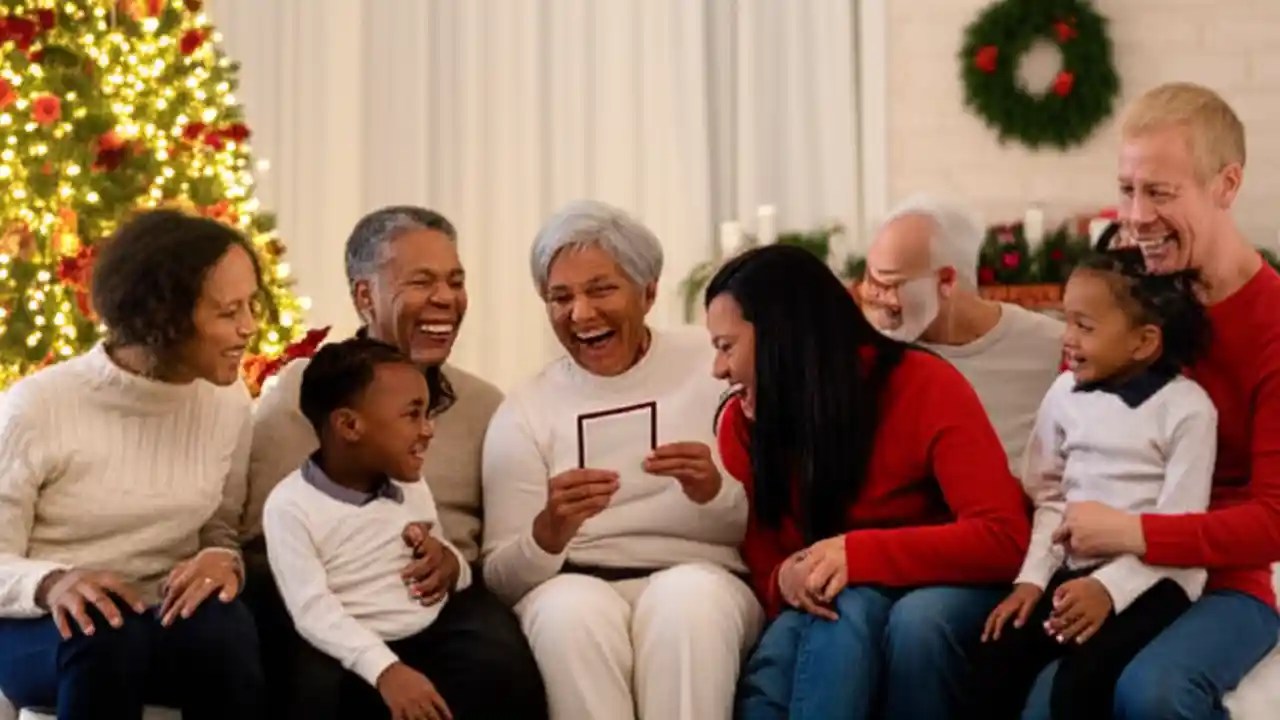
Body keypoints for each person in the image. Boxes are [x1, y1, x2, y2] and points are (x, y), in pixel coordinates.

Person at [1021, 82, 1280, 719]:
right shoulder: (1115, 298)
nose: (1135, 216)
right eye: (1127, 190)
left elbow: (1273, 520)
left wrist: (1135, 533)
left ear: (1226, 185)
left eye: (1160, 192)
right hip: (1097, 563)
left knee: (1151, 690)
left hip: (1224, 581)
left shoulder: (1273, 322)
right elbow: (1064, 457)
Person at [706, 243, 1030, 720]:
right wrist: (787, 577)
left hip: (948, 585)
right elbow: (765, 560)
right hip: (837, 605)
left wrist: (857, 556)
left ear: (782, 337)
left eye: (726, 346)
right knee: (797, 643)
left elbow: (1002, 537)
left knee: (866, 612)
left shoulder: (922, 384)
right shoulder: (742, 422)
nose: (718, 370)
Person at [245, 206, 546, 717]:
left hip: (442, 605)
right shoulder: (303, 395)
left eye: (455, 281)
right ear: (365, 296)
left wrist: (452, 564)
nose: (446, 298)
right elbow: (257, 545)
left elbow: (496, 556)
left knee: (499, 662)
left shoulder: (486, 406)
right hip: (330, 606)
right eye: (422, 281)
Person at [481, 200, 763, 720]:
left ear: (649, 292)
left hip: (703, 572)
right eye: (559, 297)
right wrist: (548, 531)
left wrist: (714, 492)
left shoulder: (715, 365)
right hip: (576, 579)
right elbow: (500, 579)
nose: (581, 314)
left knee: (687, 603)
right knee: (568, 614)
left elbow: (777, 517)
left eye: (600, 290)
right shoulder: (525, 410)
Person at [0, 210, 265, 719]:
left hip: (159, 617)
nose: (249, 327)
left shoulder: (227, 401)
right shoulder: (38, 406)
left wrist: (220, 559)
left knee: (227, 631)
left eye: (251, 306)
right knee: (103, 634)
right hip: (43, 627)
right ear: (161, 316)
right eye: (228, 312)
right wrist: (55, 582)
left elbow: (217, 527)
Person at [968, 248, 1216, 720]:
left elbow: (1179, 531)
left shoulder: (1188, 411)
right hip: (1073, 572)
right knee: (998, 653)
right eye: (1066, 321)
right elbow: (1050, 496)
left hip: (1155, 579)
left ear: (1143, 342)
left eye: (1084, 327)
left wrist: (1107, 588)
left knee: (1083, 683)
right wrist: (1031, 581)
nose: (1067, 339)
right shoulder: (1064, 395)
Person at [265, 337, 537, 720]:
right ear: (349, 425)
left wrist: (450, 564)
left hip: (434, 629)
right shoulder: (289, 507)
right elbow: (312, 611)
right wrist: (386, 670)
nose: (428, 430)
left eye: (428, 414)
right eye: (413, 415)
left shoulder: (410, 483)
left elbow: (439, 546)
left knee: (499, 659)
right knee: (311, 690)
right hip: (352, 647)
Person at [860, 195, 1064, 471]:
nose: (877, 300)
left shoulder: (1054, 346)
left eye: (891, 284)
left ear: (946, 280)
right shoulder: (871, 353)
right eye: (871, 282)